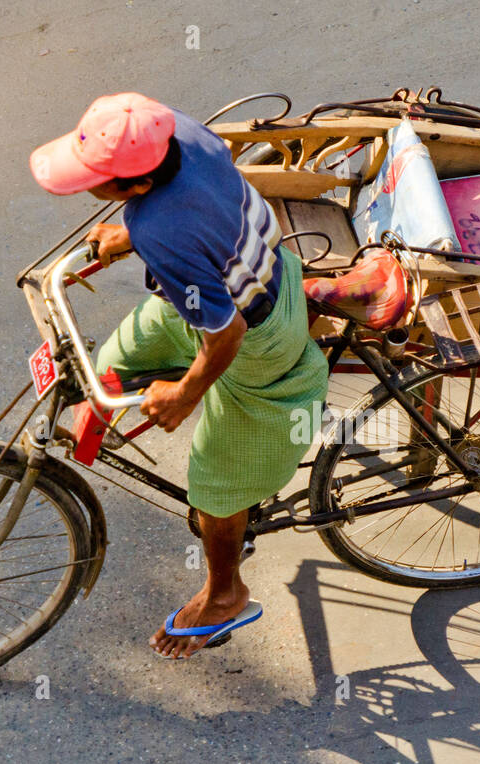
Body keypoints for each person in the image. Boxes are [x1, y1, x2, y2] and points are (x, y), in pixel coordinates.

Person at [30, 92, 328, 658]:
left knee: (215, 487)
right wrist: (129, 234)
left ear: (137, 185)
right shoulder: (179, 135)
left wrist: (186, 394)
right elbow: (200, 201)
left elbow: (229, 336)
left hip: (255, 335)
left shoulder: (163, 232)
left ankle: (225, 593)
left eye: (99, 178)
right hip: (246, 271)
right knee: (111, 361)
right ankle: (94, 425)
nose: (87, 184)